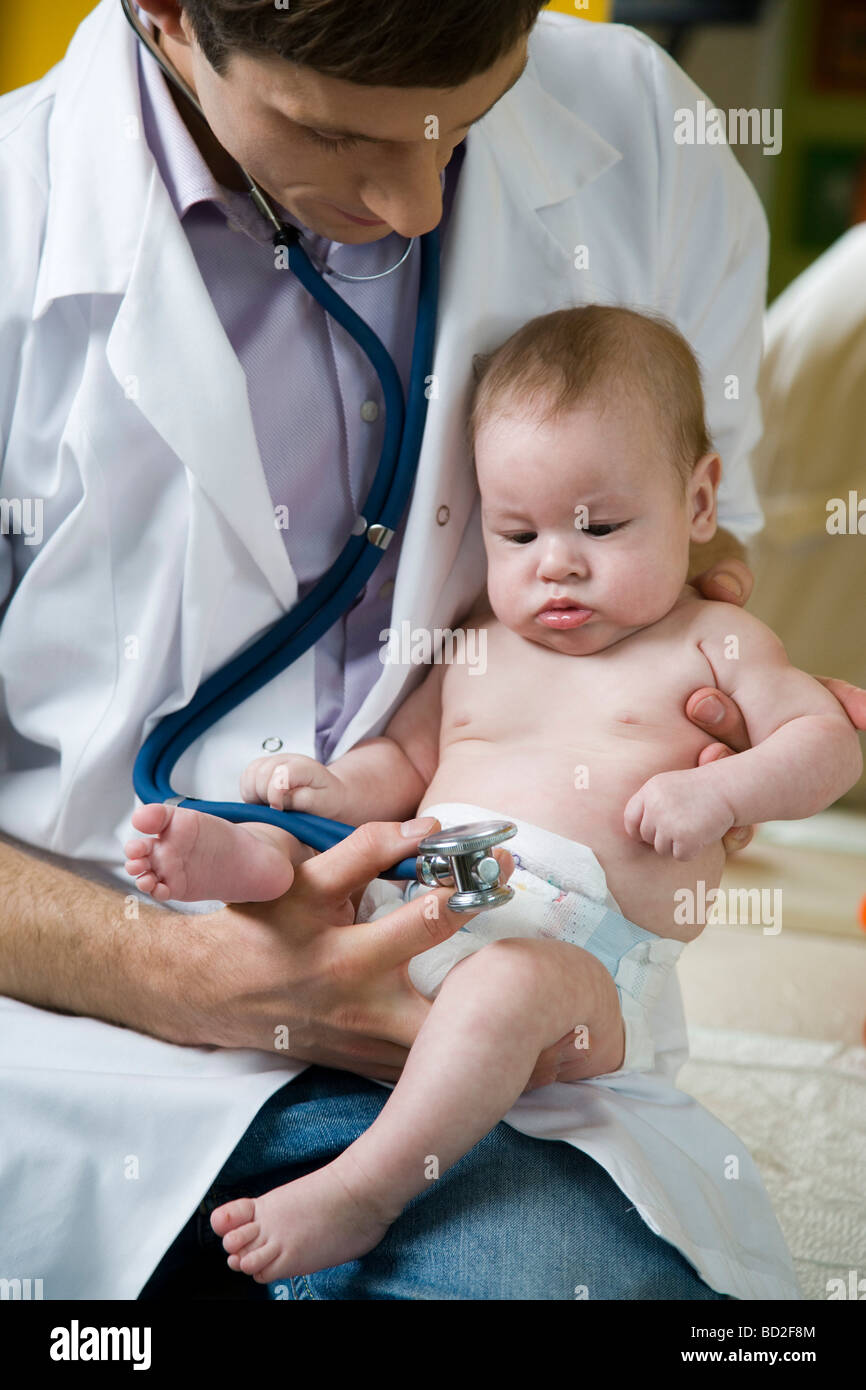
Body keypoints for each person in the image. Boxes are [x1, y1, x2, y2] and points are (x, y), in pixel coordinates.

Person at [1, 0, 863, 1300]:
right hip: (71, 1021)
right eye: (336, 132)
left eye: (472, 120)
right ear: (166, 14)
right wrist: (174, 968)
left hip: (485, 1012)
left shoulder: (641, 129)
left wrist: (715, 750)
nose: (412, 202)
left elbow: (705, 567)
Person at [123, 304, 863, 1285]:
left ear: (695, 502)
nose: (555, 559)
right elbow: (408, 759)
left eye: (599, 524)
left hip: (588, 957)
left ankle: (364, 1188)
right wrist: (336, 784)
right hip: (434, 881)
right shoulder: (479, 638)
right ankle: (238, 853)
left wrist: (724, 792)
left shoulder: (711, 640)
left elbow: (824, 744)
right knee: (326, 855)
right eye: (516, 531)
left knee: (506, 988)